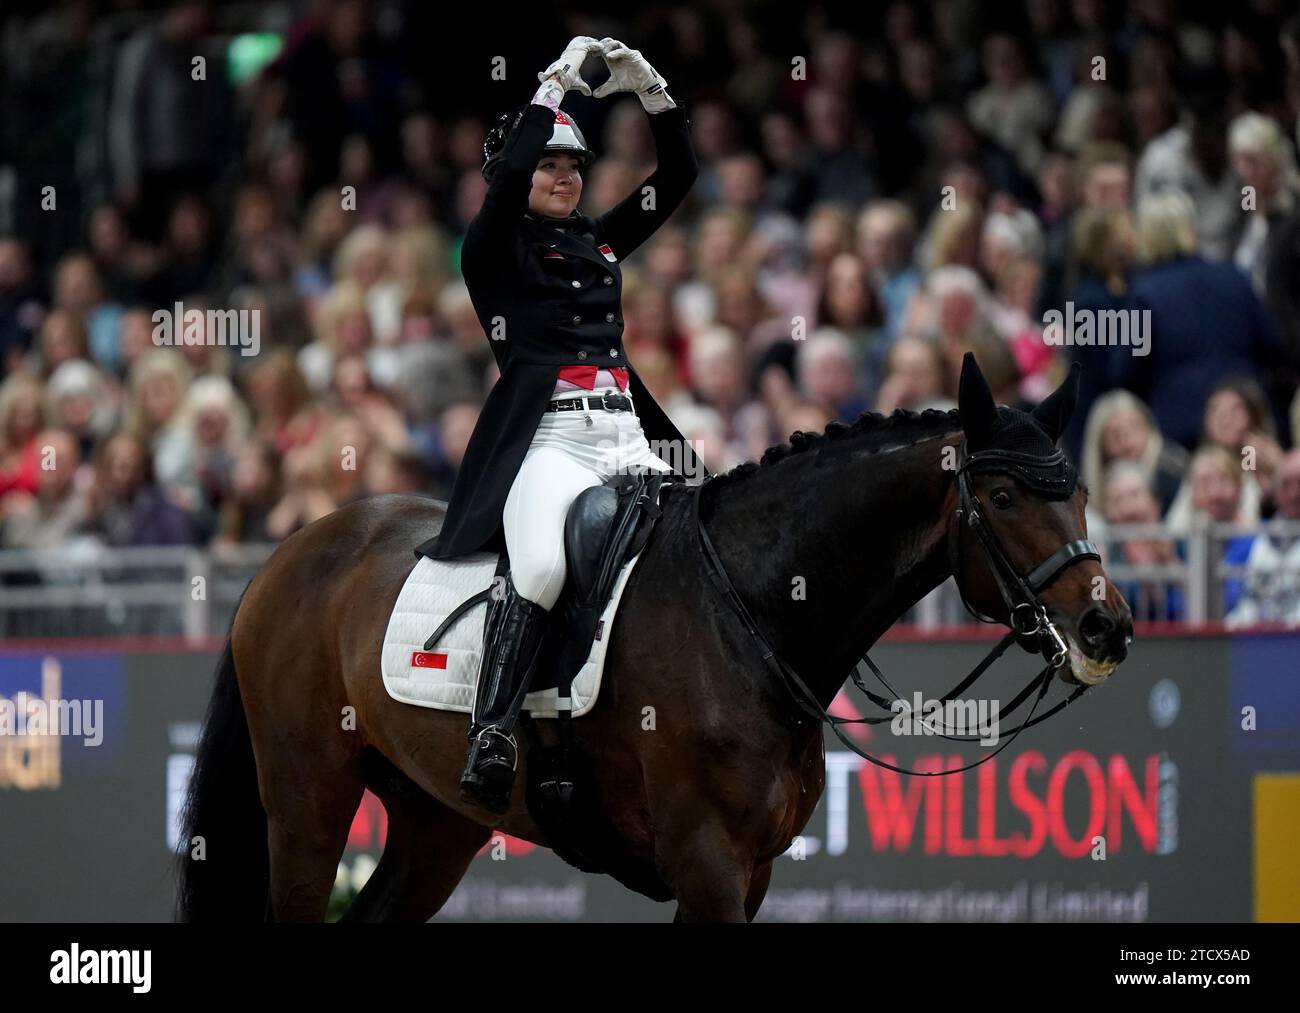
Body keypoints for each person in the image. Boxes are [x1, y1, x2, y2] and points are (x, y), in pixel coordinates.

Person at [413, 38, 703, 814]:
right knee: (540, 567)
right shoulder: (489, 250)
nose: (565, 175)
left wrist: (654, 93)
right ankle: (493, 731)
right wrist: (555, 87)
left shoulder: (598, 240)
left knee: (697, 545)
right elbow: (510, 175)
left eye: (573, 164)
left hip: (627, 435)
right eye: (549, 164)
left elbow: (677, 177)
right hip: (550, 440)